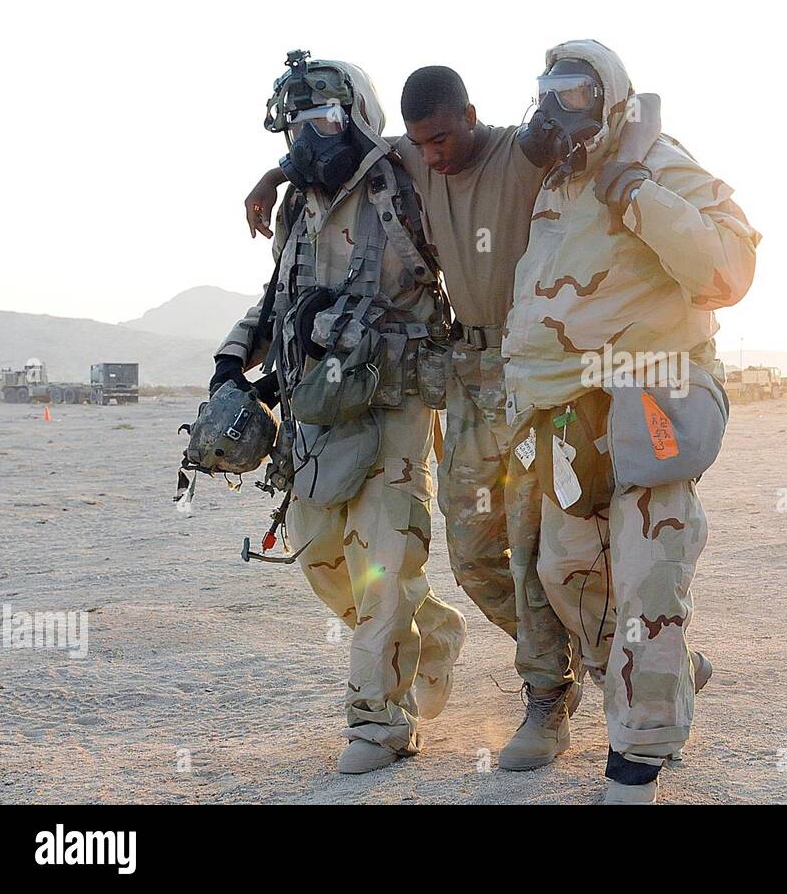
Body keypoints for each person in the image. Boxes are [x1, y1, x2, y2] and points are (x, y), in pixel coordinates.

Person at [242, 64, 580, 770]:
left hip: (501, 378)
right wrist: (275, 173)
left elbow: (582, 143)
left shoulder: (468, 162)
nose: (434, 154)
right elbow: (334, 153)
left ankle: (553, 688)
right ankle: (481, 640)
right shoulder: (370, 177)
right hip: (416, 386)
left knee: (519, 542)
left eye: (443, 138)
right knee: (448, 553)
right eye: (422, 144)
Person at [503, 39, 760, 803]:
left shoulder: (661, 162)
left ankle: (638, 757)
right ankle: (664, 679)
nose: (556, 108)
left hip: (651, 400)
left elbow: (730, 268)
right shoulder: (553, 185)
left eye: (576, 94)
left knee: (650, 575)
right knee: (566, 569)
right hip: (563, 421)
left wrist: (637, 190)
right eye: (548, 92)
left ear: (609, 98)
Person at [216, 54, 467, 774]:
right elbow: (278, 298)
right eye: (296, 127)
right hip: (317, 407)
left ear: (358, 117)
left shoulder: (404, 179)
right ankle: (435, 632)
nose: (310, 138)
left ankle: (380, 722)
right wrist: (232, 361)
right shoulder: (298, 204)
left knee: (384, 559)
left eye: (324, 120)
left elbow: (464, 163)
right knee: (320, 555)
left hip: (395, 399)